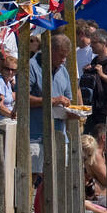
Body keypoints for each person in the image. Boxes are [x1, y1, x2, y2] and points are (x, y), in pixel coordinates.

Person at [28, 35, 72, 178]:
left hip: (59, 134)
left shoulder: (63, 70)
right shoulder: (31, 66)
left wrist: (71, 110)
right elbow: (22, 98)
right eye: (61, 55)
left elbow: (68, 98)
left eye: (66, 56)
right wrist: (51, 101)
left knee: (59, 178)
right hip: (36, 134)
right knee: (31, 178)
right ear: (50, 50)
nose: (63, 60)